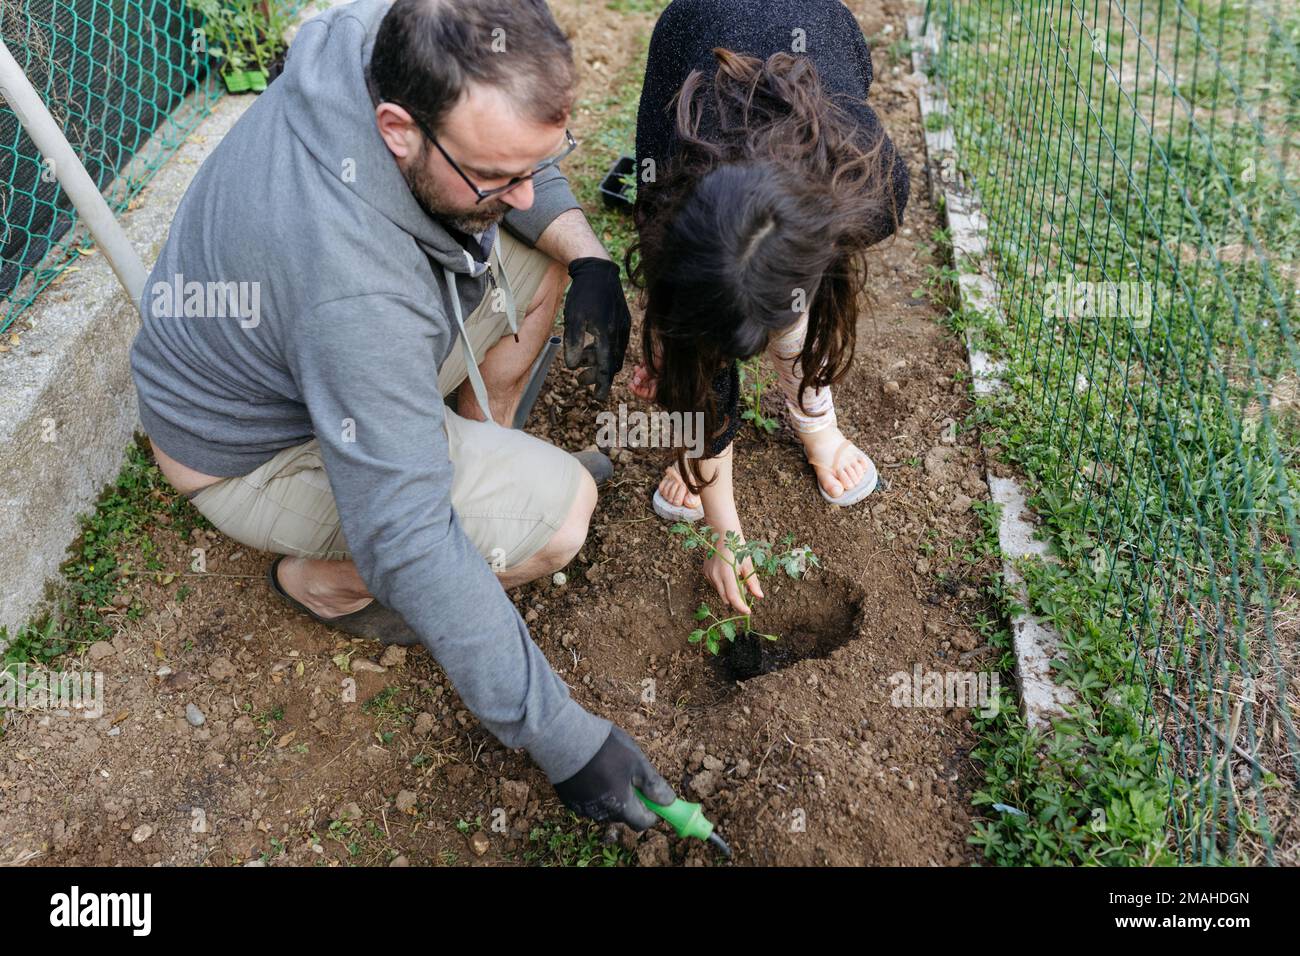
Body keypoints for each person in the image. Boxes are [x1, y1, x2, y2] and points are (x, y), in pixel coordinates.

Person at [130, 0, 672, 830]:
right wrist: (565, 739)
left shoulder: (386, 32)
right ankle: (320, 587)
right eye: (499, 177)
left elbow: (517, 169)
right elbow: (406, 534)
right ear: (397, 129)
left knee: (542, 260)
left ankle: (479, 460)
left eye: (542, 161)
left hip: (332, 363)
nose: (527, 190)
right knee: (562, 516)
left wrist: (590, 254)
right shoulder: (353, 287)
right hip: (253, 451)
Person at [627, 0, 910, 613]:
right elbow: (690, 327)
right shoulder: (668, 173)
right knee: (706, 333)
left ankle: (817, 424)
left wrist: (797, 314)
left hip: (819, 22)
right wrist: (721, 526)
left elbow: (809, 277)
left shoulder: (873, 181)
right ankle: (704, 457)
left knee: (792, 316)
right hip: (694, 26)